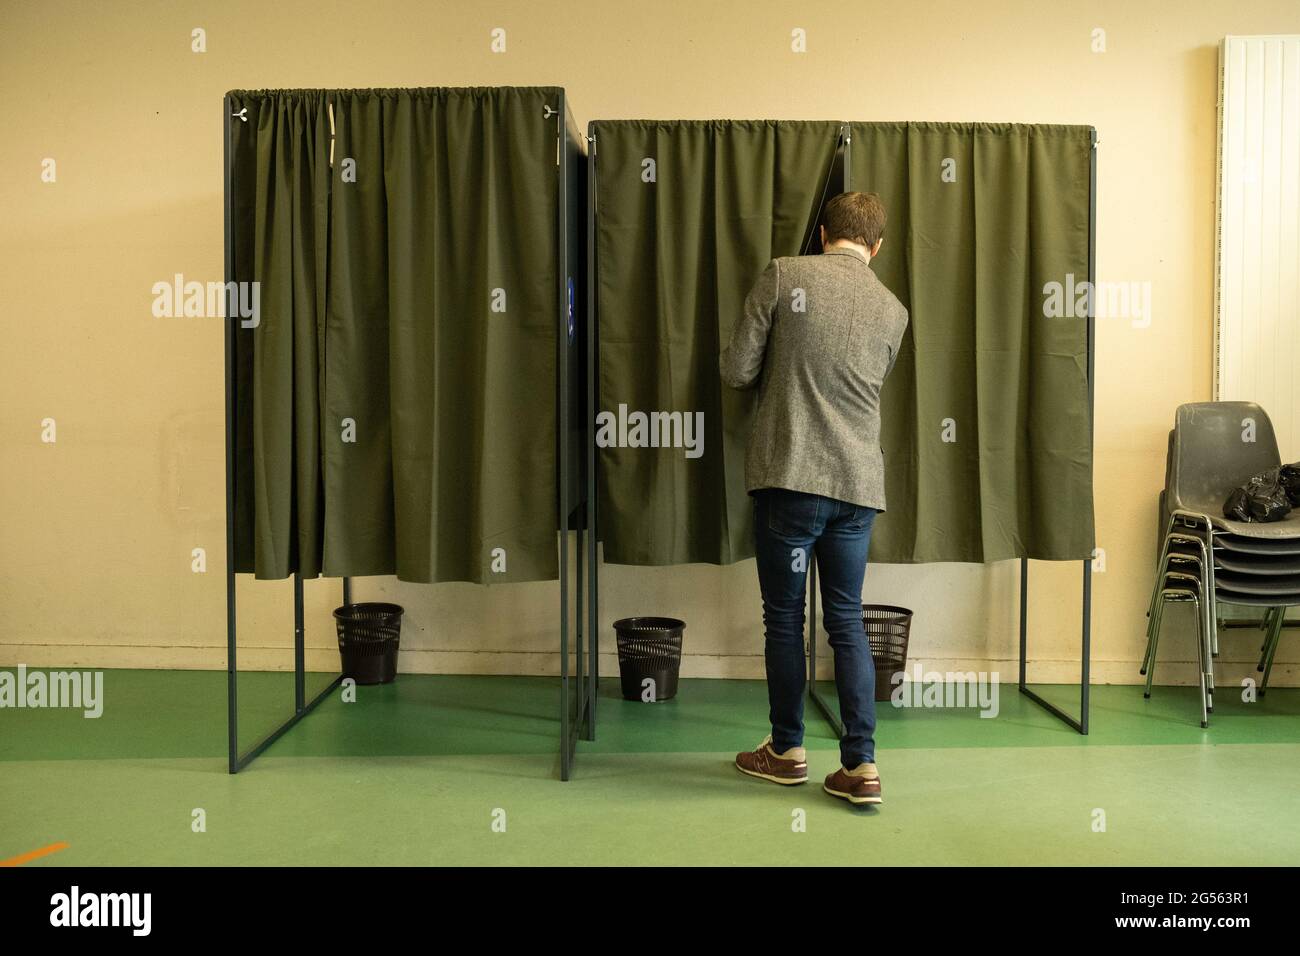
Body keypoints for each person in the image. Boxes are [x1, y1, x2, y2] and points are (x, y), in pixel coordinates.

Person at [719, 192, 908, 807]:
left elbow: (737, 371)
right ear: (876, 247)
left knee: (784, 619)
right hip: (858, 489)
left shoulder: (784, 273)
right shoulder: (893, 310)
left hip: (791, 479)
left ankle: (787, 751)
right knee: (846, 620)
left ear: (822, 231)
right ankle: (862, 767)